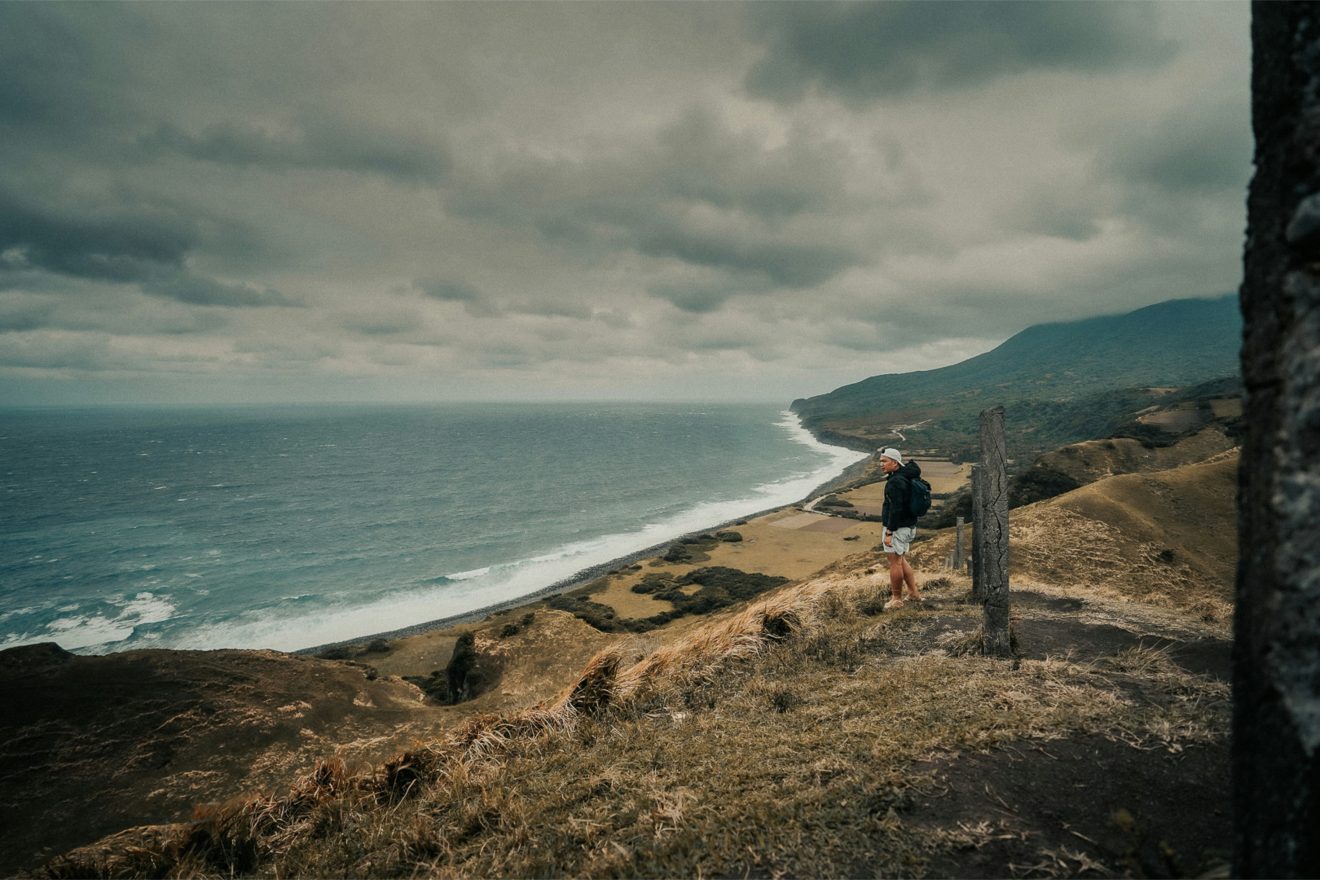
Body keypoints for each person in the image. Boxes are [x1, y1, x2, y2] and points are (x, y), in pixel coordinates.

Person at [878, 446, 921, 609]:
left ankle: (896, 599)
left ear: (895, 463)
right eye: (881, 461)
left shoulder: (895, 482)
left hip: (897, 528)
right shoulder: (906, 476)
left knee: (894, 562)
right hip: (908, 525)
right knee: (901, 560)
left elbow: (896, 508)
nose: (881, 465)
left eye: (884, 461)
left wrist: (889, 532)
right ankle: (914, 593)